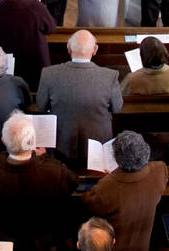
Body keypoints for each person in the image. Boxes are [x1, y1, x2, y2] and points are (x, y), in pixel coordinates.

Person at [0, 111, 78, 251]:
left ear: (3, 141)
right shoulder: (54, 171)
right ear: (33, 142)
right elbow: (73, 182)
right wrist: (46, 158)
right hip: (43, 242)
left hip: (3, 240)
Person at [36, 30, 124, 166]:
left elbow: (41, 106)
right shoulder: (109, 76)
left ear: (68, 48)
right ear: (95, 50)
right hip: (97, 145)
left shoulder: (49, 74)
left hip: (61, 144)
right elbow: (117, 108)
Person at [81, 131, 168, 251]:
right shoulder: (160, 169)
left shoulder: (107, 187)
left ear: (117, 159)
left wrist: (111, 177)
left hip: (114, 250)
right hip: (143, 242)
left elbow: (87, 203)